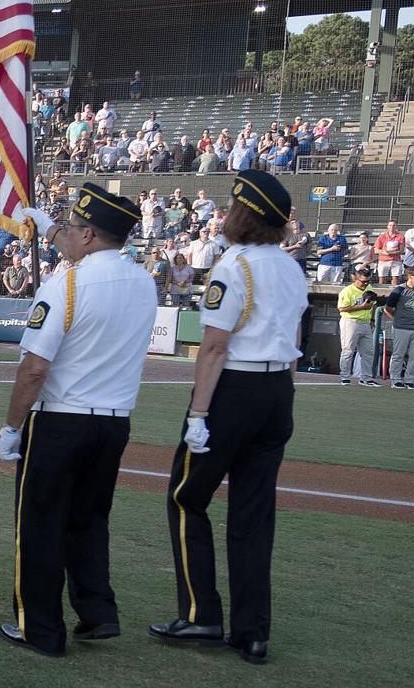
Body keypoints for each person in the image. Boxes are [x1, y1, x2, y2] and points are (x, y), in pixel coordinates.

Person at [149, 170, 308, 666]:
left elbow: (215, 347)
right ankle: (252, 632)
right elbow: (292, 342)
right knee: (253, 516)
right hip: (277, 390)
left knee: (186, 497)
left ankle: (201, 614)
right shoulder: (291, 268)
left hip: (234, 391)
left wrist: (199, 413)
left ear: (243, 216)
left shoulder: (233, 265)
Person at [0, 184, 157, 658]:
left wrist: (11, 427)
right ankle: (97, 610)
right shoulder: (143, 281)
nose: (65, 233)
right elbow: (71, 246)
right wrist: (48, 227)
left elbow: (35, 368)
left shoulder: (65, 284)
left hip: (61, 420)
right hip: (114, 421)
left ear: (88, 235)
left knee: (40, 523)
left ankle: (40, 627)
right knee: (89, 520)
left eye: (73, 227)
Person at [336, 265, 380, 386]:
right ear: (356, 278)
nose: (365, 284)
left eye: (368, 281)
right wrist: (361, 307)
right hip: (351, 322)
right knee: (348, 351)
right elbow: (342, 308)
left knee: (368, 352)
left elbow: (373, 304)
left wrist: (372, 319)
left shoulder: (369, 288)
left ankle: (366, 378)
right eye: (363, 281)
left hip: (365, 322)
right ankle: (345, 377)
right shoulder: (347, 291)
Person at [383, 269, 414, 388]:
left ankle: (409, 379)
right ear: (410, 277)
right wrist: (396, 319)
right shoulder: (399, 290)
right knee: (398, 354)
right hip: (401, 327)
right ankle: (395, 379)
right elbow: (387, 308)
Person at [374, 220, 405, 285]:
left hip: (396, 260)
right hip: (383, 260)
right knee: (382, 280)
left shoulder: (401, 236)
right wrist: (384, 252)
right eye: (390, 225)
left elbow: (401, 250)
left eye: (394, 225)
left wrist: (390, 253)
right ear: (387, 226)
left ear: (396, 226)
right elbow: (376, 250)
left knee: (395, 281)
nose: (392, 227)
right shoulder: (381, 236)